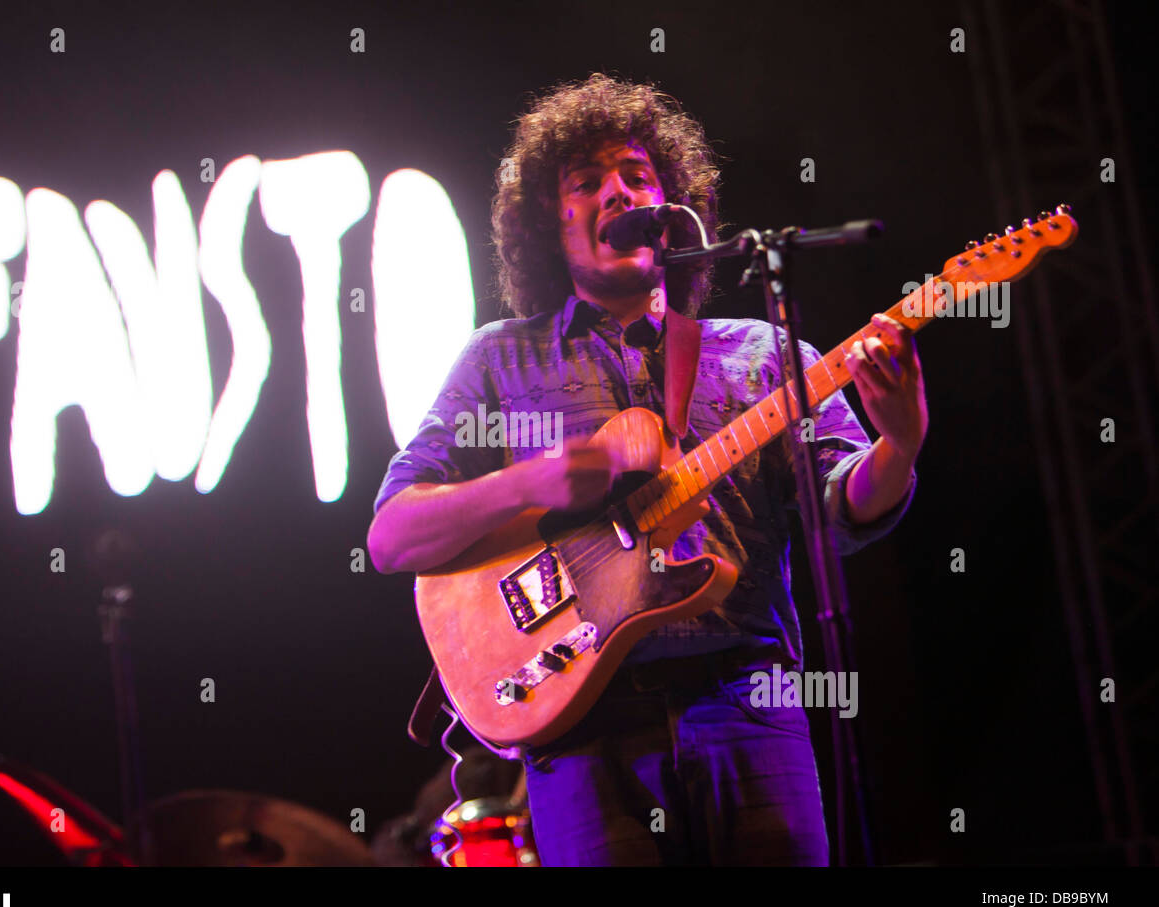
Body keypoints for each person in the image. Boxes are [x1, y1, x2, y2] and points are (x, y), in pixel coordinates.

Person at [367, 73, 927, 866]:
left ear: (675, 208)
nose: (617, 194)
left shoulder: (766, 357)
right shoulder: (501, 359)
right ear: (545, 222)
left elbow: (843, 515)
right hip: (581, 736)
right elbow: (392, 537)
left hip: (749, 704)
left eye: (637, 176)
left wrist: (898, 446)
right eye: (586, 182)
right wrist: (532, 481)